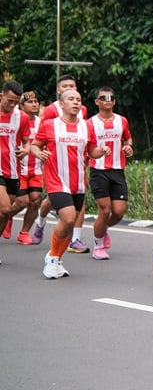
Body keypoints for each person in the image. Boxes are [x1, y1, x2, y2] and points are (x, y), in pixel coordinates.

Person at [28, 88, 108, 278]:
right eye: (71, 99)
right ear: (61, 104)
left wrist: (102, 151)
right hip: (57, 181)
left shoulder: (86, 126)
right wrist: (39, 153)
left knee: (70, 226)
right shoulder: (49, 125)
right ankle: (52, 258)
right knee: (69, 218)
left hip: (78, 182)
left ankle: (56, 259)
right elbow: (34, 145)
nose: (75, 102)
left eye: (78, 99)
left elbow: (92, 151)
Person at [30, 74, 90, 250]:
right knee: (51, 201)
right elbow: (41, 140)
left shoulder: (83, 111)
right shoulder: (50, 112)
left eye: (73, 86)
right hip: (54, 165)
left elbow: (84, 135)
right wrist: (41, 154)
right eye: (65, 87)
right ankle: (41, 222)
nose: (69, 88)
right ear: (59, 91)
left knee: (77, 205)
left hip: (77, 167)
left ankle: (75, 239)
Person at [86, 87, 134, 260]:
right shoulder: (90, 123)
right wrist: (99, 151)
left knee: (119, 211)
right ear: (96, 101)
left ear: (114, 102)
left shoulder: (122, 121)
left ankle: (102, 229)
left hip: (117, 169)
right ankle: (98, 246)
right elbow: (89, 149)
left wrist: (128, 147)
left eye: (111, 98)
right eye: (103, 97)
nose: (107, 100)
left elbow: (127, 138)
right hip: (98, 170)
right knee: (105, 209)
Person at [0, 81, 32, 260]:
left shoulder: (22, 117)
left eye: (15, 102)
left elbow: (27, 141)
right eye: (9, 101)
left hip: (12, 169)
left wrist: (26, 149)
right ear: (1, 96)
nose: (12, 105)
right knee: (5, 209)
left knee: (3, 214)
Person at [15, 90, 44, 245]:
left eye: (36, 102)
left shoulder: (42, 123)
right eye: (30, 102)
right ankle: (5, 217)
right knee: (21, 201)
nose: (34, 104)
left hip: (36, 169)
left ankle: (24, 232)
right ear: (21, 106)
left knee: (34, 201)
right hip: (18, 168)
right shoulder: (16, 120)